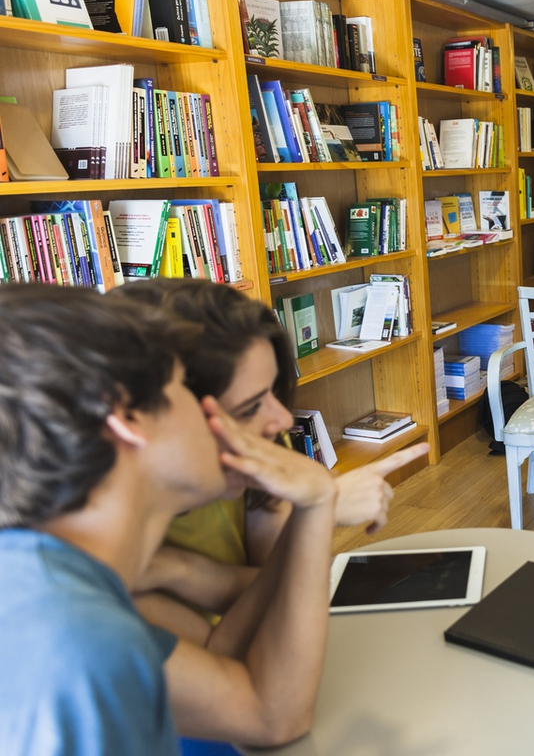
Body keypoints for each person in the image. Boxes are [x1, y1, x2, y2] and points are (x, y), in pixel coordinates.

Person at [0, 284, 337, 753]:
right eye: (181, 385)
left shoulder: (49, 589)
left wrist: (316, 504)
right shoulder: (81, 647)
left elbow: (267, 712)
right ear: (125, 415)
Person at [113, 278, 425, 646]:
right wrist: (319, 509)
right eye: (248, 408)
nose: (282, 421)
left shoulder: (255, 443)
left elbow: (279, 594)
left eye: (273, 392)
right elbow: (228, 672)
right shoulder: (105, 540)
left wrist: (184, 570)